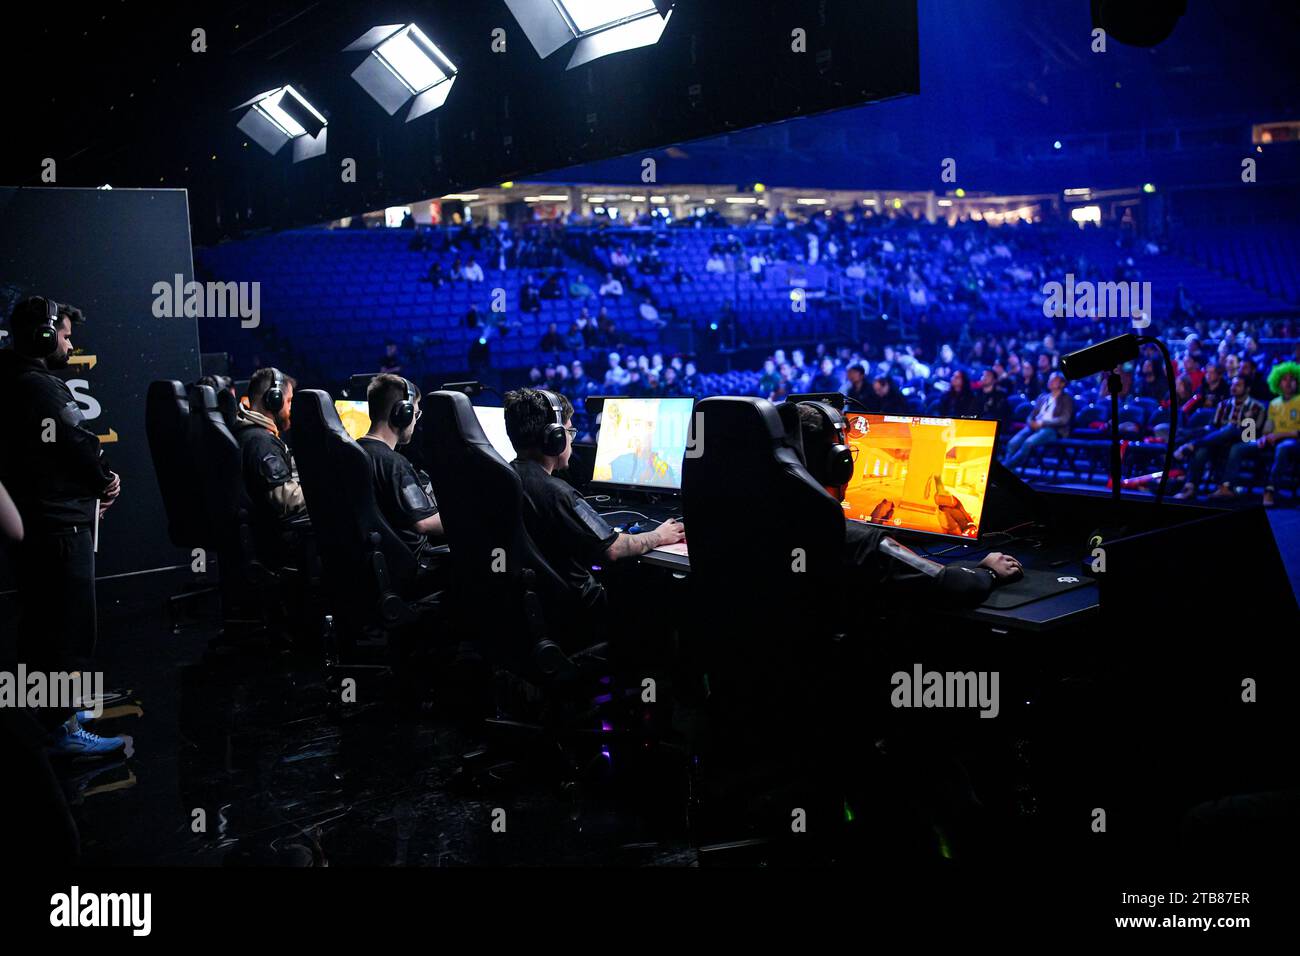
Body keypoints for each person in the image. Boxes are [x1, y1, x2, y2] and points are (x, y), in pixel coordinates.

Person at [0, 297, 123, 756]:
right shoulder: (37, 386)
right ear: (44, 335)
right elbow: (75, 441)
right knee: (65, 630)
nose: (70, 344)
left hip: (38, 523)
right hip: (57, 527)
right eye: (66, 335)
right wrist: (105, 479)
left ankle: (51, 712)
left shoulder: (11, 378)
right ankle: (62, 727)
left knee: (42, 625)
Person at [795, 402, 1020, 605]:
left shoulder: (764, 520)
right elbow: (953, 585)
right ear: (839, 466)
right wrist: (989, 572)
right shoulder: (857, 540)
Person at [503, 389, 686, 630]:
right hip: (579, 612)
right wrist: (659, 536)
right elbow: (612, 549)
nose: (571, 438)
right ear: (554, 437)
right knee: (664, 586)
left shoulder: (506, 480)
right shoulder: (558, 493)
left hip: (531, 611)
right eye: (569, 431)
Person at [357, 375, 445, 593]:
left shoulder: (355, 452)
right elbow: (423, 523)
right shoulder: (393, 463)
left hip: (371, 570)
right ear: (401, 414)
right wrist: (471, 519)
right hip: (411, 573)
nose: (416, 421)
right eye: (415, 414)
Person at [233, 367, 308, 564]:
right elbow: (287, 501)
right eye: (289, 401)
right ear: (273, 400)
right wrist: (325, 491)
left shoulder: (245, 432)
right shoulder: (261, 441)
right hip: (274, 543)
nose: (291, 408)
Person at [1211, 362, 1300, 507]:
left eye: (1292, 379)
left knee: (1283, 447)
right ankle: (1227, 486)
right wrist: (1264, 437)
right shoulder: (1274, 403)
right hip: (1272, 440)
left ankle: (1270, 489)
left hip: (1293, 441)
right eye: (1284, 379)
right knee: (1239, 447)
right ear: (1277, 382)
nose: (1288, 383)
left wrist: (1278, 436)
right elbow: (1268, 427)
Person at [1174, 374, 1266, 500]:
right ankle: (1191, 486)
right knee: (1204, 448)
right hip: (1221, 439)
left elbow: (1252, 432)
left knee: (1230, 429)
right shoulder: (1223, 405)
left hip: (1246, 439)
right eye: (1233, 384)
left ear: (1247, 389)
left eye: (1238, 385)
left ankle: (1192, 445)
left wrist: (1233, 428)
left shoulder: (1257, 407)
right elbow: (1213, 428)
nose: (1233, 388)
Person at [1004, 371, 1073, 469]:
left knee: (1028, 443)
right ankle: (1010, 469)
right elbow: (1032, 414)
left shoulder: (1066, 399)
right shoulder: (1042, 397)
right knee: (1013, 443)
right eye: (1050, 379)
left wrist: (1043, 423)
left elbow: (1064, 419)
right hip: (1035, 426)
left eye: (1055, 380)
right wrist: (1030, 422)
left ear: (1062, 384)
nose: (1051, 381)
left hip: (1053, 429)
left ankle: (1006, 466)